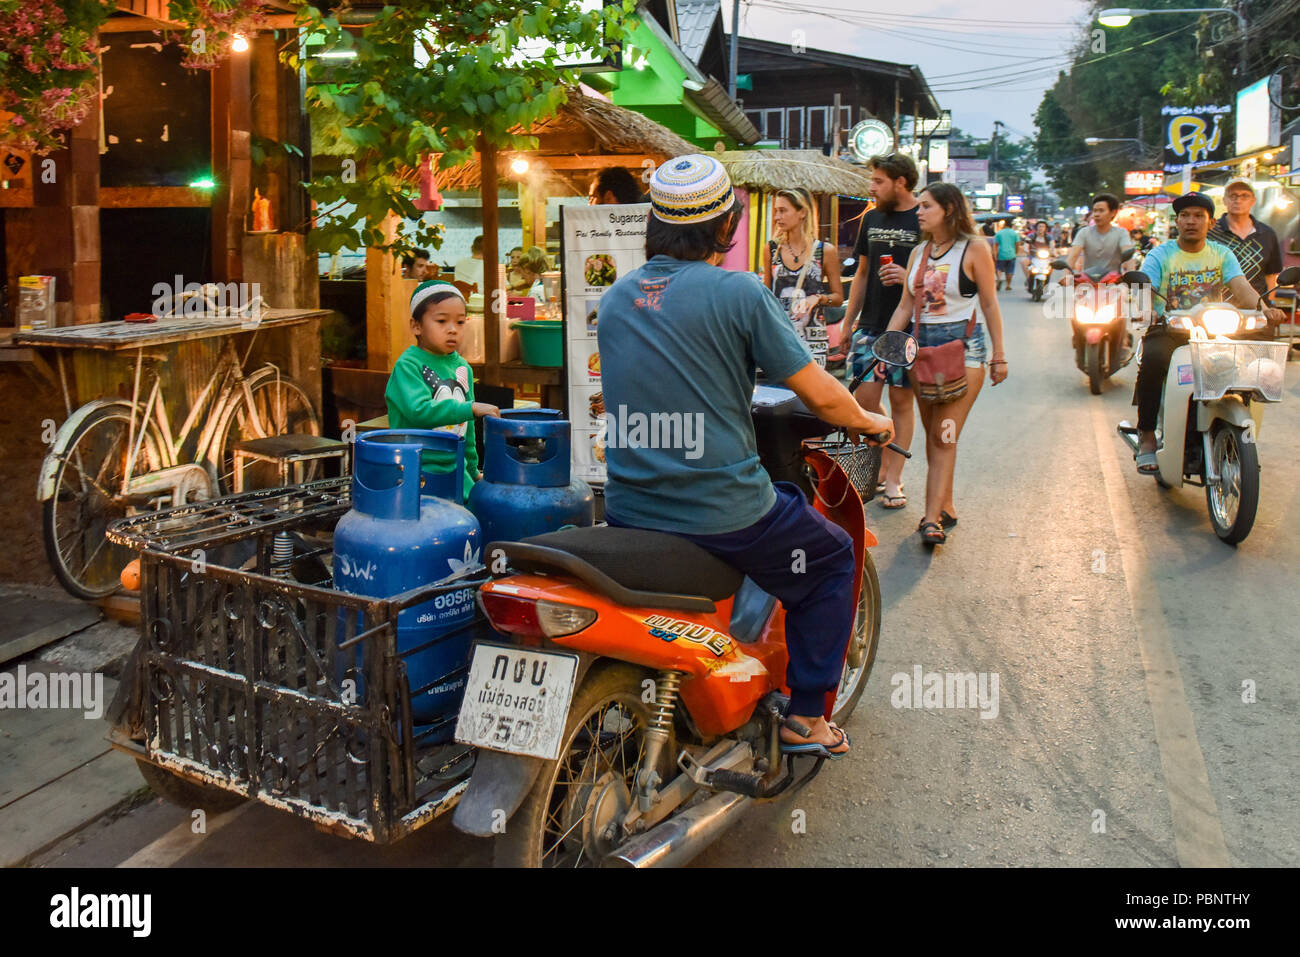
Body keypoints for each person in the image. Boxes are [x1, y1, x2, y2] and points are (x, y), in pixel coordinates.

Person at [598, 154, 896, 758]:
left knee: (783, 505)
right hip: (722, 513)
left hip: (629, 508)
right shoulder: (740, 290)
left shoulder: (616, 298)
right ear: (725, 225)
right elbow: (820, 394)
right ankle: (807, 717)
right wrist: (872, 420)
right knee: (833, 558)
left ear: (655, 223)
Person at [881, 183, 1009, 546]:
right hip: (921, 352)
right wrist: (886, 347)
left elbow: (989, 304)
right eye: (919, 206)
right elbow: (906, 306)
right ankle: (946, 505)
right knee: (934, 432)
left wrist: (998, 354)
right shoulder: (920, 251)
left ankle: (931, 519)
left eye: (926, 206)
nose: (919, 212)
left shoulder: (975, 248)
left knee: (943, 435)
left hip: (964, 351)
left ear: (949, 209)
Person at [1131, 192, 1285, 473]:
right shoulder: (1160, 254)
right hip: (1170, 329)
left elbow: (1242, 287)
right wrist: (1145, 309)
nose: (1191, 221)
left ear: (1211, 222)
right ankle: (1147, 435)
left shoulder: (1221, 254)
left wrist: (1264, 308)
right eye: (1185, 215)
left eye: (1198, 216)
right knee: (1152, 360)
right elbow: (1144, 288)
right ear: (1177, 221)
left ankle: (1241, 439)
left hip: (1214, 331)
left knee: (1248, 364)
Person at [845, 151, 921, 510]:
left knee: (902, 401)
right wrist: (848, 323)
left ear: (900, 182)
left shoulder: (925, 218)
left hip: (909, 328)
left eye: (878, 181)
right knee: (863, 401)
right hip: (870, 323)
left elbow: (936, 276)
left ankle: (893, 478)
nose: (871, 187)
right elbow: (861, 272)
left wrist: (909, 279)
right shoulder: (871, 217)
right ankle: (875, 467)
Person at [384, 281, 500, 501]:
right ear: (416, 326)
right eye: (441, 321)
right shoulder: (408, 366)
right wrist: (471, 408)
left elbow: (467, 430)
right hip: (416, 471)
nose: (452, 329)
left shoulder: (462, 367)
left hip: (457, 469)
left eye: (460, 322)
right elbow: (420, 410)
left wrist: (473, 469)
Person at [763, 186, 844, 369]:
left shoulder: (825, 251)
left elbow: (838, 298)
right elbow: (766, 296)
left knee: (812, 396)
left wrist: (818, 298)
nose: (777, 217)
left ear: (802, 213)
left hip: (813, 340)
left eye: (783, 211)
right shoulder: (772, 250)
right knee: (779, 394)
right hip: (780, 337)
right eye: (776, 211)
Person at [1209, 178, 1282, 300]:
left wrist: (1270, 304)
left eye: (1244, 196)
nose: (1238, 200)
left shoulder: (1266, 234)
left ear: (1253, 200)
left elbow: (1271, 274)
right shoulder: (1211, 232)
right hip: (1217, 306)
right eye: (1233, 196)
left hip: (1256, 308)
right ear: (1224, 200)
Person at [1066, 194, 1131, 277]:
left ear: (1113, 212)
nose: (1096, 214)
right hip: (1088, 282)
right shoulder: (1084, 232)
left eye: (1101, 210)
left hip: (1114, 283)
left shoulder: (1122, 233)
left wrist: (1131, 276)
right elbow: (1073, 255)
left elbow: (1128, 254)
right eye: (1095, 211)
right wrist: (1066, 276)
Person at [1018, 220, 1054, 290]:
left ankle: (1047, 279)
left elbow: (1052, 246)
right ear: (1036, 227)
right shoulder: (1031, 236)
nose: (1041, 228)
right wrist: (1026, 250)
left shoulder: (1049, 237)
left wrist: (1053, 252)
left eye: (1043, 227)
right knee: (1023, 262)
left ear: (1046, 228)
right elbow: (1026, 245)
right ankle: (1028, 279)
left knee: (1053, 265)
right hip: (1033, 256)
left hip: (1045, 257)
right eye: (1039, 226)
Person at [993, 219, 1019, 290]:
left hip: (1001, 254)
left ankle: (998, 280)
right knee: (1010, 270)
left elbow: (995, 245)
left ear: (1004, 225)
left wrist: (995, 254)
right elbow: (1017, 244)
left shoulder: (999, 233)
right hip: (1011, 254)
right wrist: (1016, 252)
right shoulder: (1014, 233)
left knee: (999, 269)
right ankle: (1008, 285)